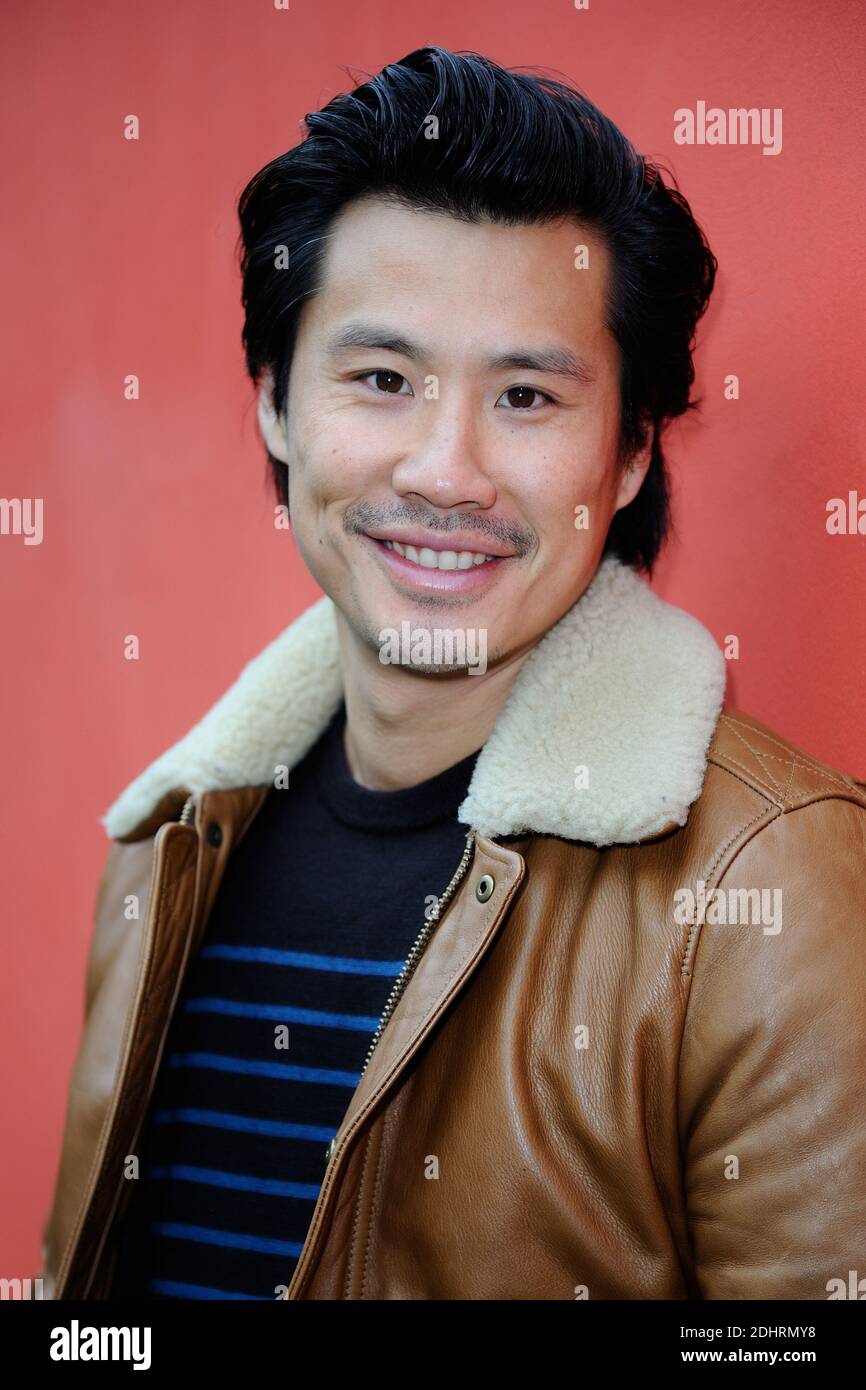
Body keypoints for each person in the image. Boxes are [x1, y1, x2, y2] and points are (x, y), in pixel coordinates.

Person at [40, 45, 866, 1301]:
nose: (445, 470)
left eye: (527, 396)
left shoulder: (777, 886)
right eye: (381, 379)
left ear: (631, 452)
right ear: (274, 401)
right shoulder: (170, 836)